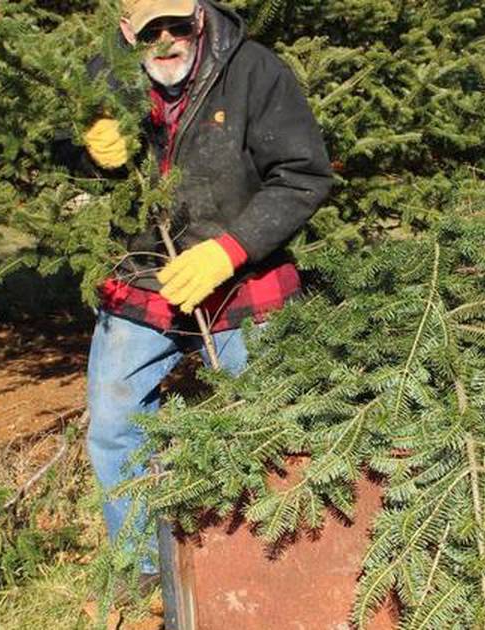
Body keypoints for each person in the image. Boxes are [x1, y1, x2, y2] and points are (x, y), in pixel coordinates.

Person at [78, 0, 332, 588]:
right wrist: (85, 145)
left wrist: (230, 248)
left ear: (199, 14)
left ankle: (273, 556)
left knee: (273, 425)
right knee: (115, 423)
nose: (167, 42)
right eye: (150, 31)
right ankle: (143, 571)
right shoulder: (101, 76)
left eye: (179, 25)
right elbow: (53, 162)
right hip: (144, 276)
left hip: (246, 276)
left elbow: (302, 174)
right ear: (125, 29)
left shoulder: (255, 71)